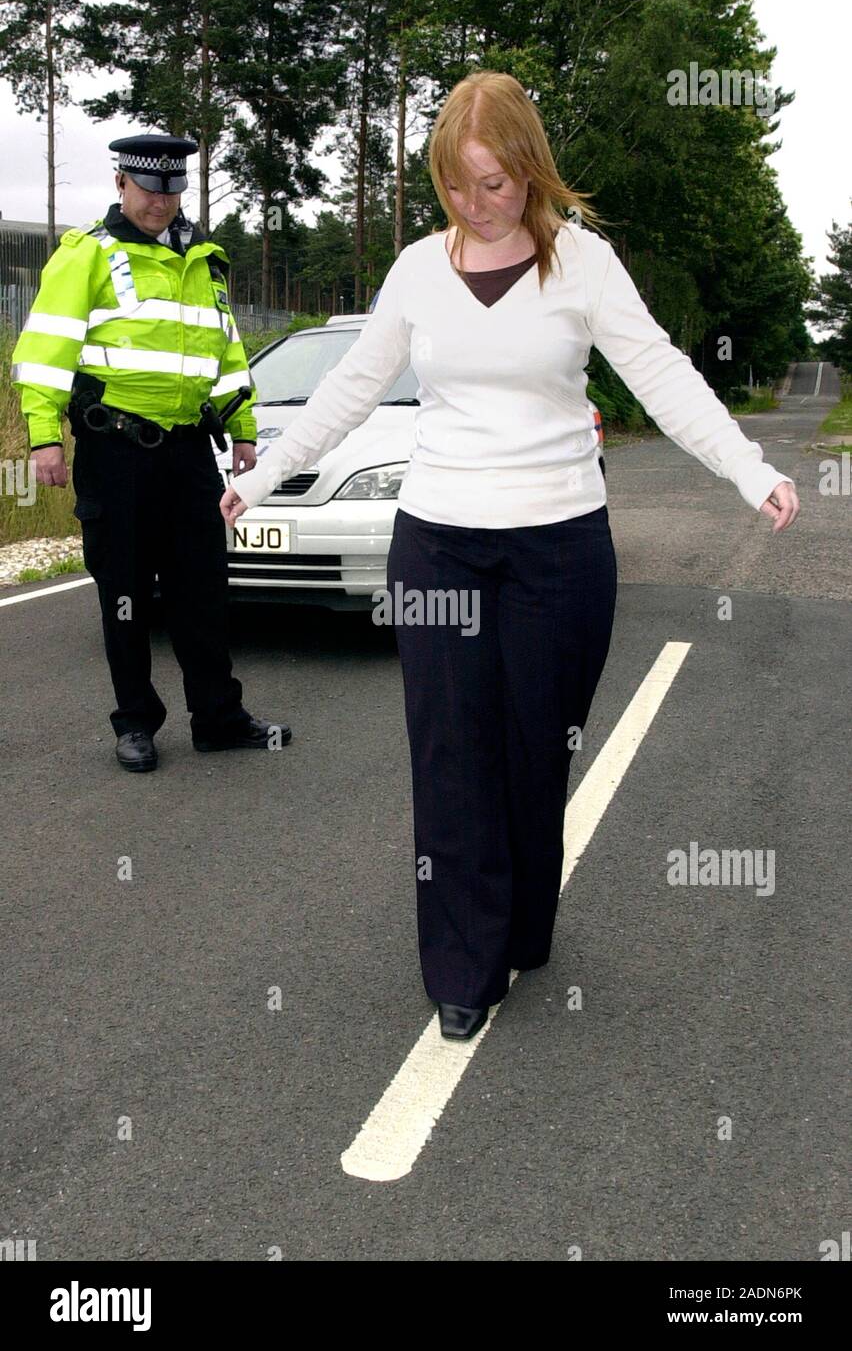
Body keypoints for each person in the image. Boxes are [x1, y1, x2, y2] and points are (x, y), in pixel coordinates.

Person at [218, 71, 800, 1039]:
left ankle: (525, 925)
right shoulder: (414, 271)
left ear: (531, 173)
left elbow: (659, 370)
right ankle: (462, 964)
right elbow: (352, 388)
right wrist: (262, 476)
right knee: (453, 758)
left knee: (538, 753)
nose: (476, 204)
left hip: (560, 548)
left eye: (495, 184)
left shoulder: (584, 265)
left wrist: (747, 467)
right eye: (456, 184)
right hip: (439, 544)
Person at [11, 133, 289, 772]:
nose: (160, 203)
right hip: (117, 452)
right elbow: (45, 351)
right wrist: (45, 438)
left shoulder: (205, 262)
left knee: (204, 591)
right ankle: (135, 722)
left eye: (171, 190)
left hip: (190, 452)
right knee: (126, 594)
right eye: (147, 188)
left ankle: (218, 716)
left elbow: (225, 357)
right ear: (121, 183)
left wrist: (242, 427)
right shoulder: (87, 255)